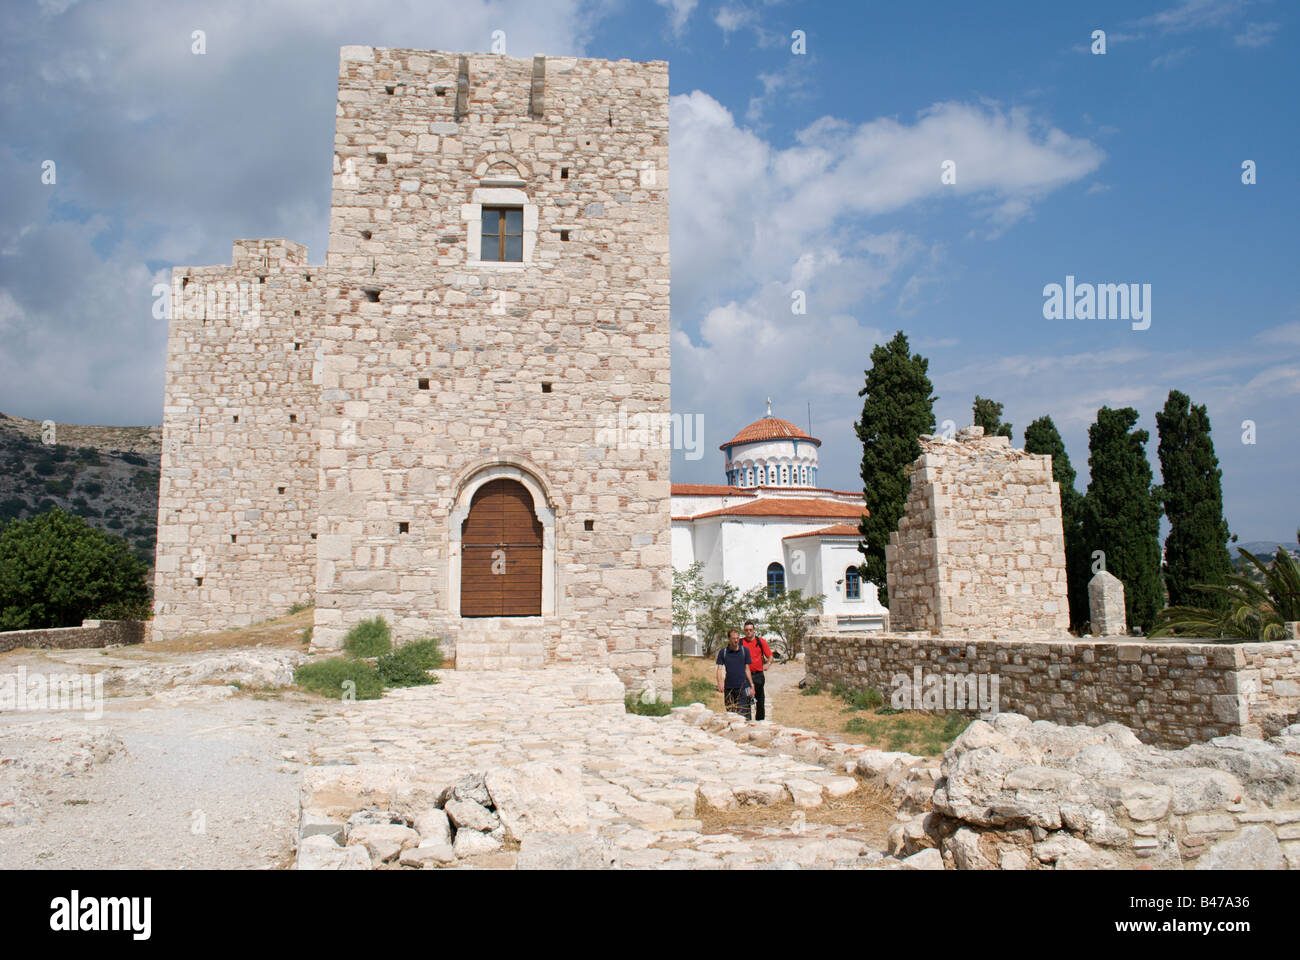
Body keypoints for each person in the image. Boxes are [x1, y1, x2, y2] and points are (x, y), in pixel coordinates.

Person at [715, 628, 754, 719]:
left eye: (737, 638)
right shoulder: (723, 652)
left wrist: (752, 685)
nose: (736, 640)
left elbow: (747, 669)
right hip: (729, 688)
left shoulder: (745, 651)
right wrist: (720, 683)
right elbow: (719, 669)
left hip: (744, 688)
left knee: (744, 714)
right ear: (729, 639)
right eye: (733, 638)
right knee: (730, 714)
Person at [740, 620, 773, 721]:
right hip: (745, 676)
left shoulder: (760, 641)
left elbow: (770, 656)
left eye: (750, 630)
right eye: (746, 630)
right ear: (744, 631)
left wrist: (768, 664)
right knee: (746, 699)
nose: (748, 632)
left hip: (758, 676)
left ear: (754, 630)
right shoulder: (741, 642)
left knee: (760, 700)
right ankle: (747, 721)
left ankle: (760, 722)